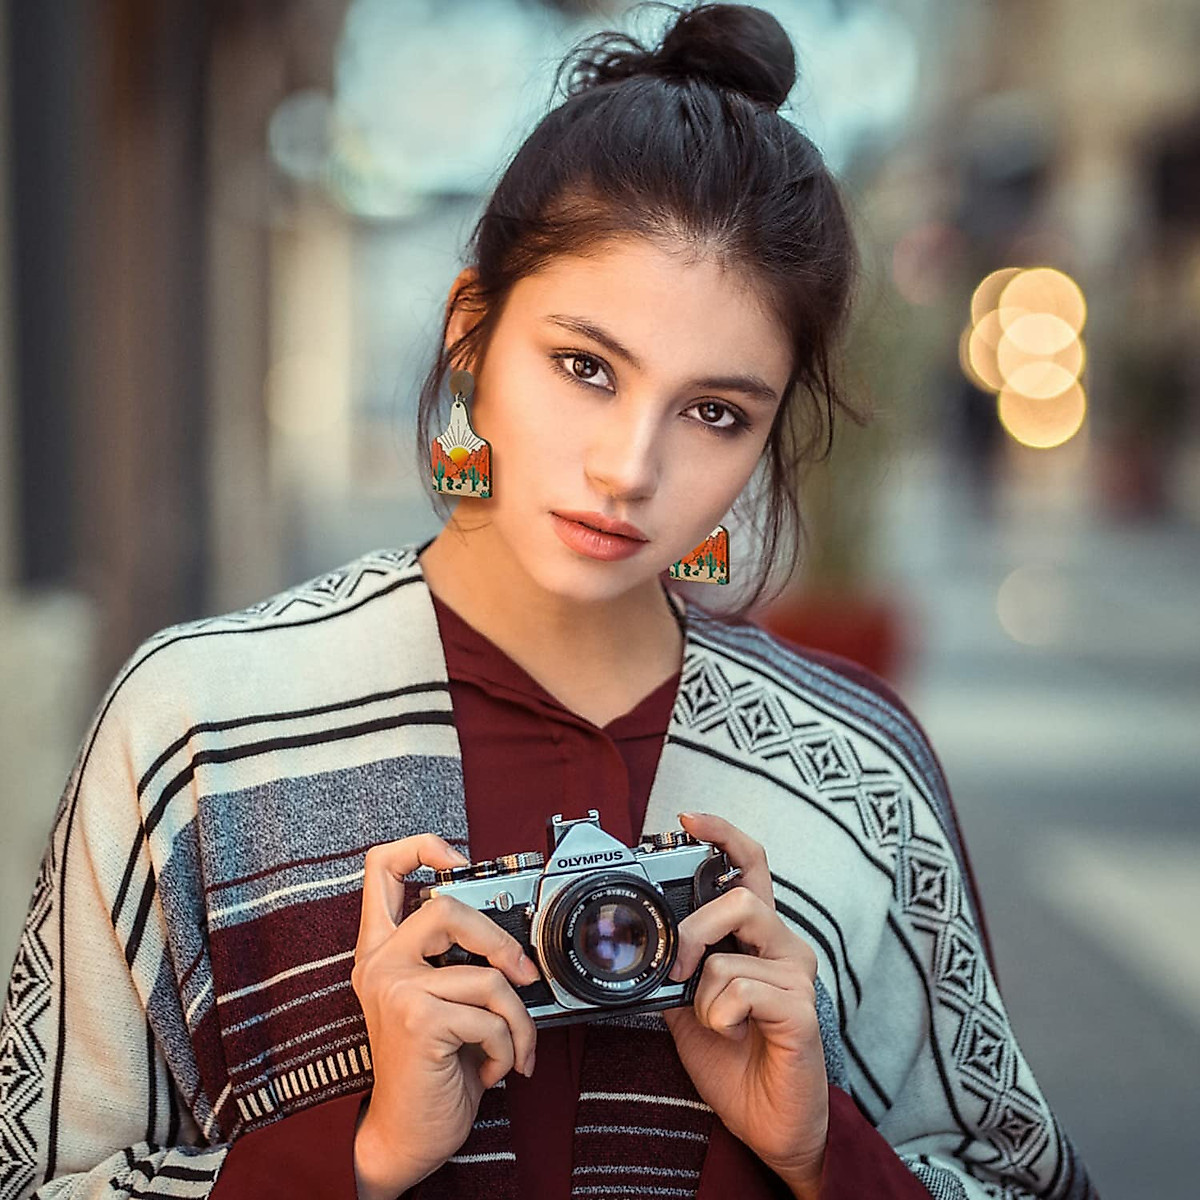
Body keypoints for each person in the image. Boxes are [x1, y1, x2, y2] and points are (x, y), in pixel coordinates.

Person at [0, 3, 1100, 1199]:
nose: (630, 466)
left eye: (716, 412)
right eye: (586, 368)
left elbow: (1020, 1177)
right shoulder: (199, 727)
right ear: (472, 334)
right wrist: (354, 1161)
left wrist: (817, 1152)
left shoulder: (855, 775)